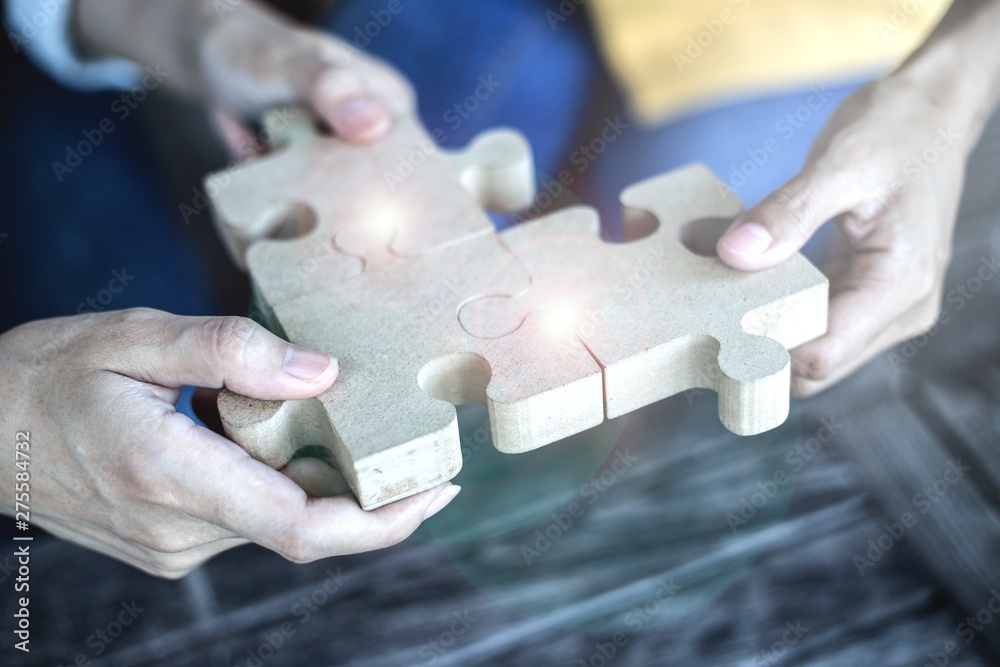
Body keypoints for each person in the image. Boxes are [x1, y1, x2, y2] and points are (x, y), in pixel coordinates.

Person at [1, 0, 998, 578]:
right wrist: (11, 432)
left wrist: (944, 87)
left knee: (682, 265)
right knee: (119, 370)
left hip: (809, 27)